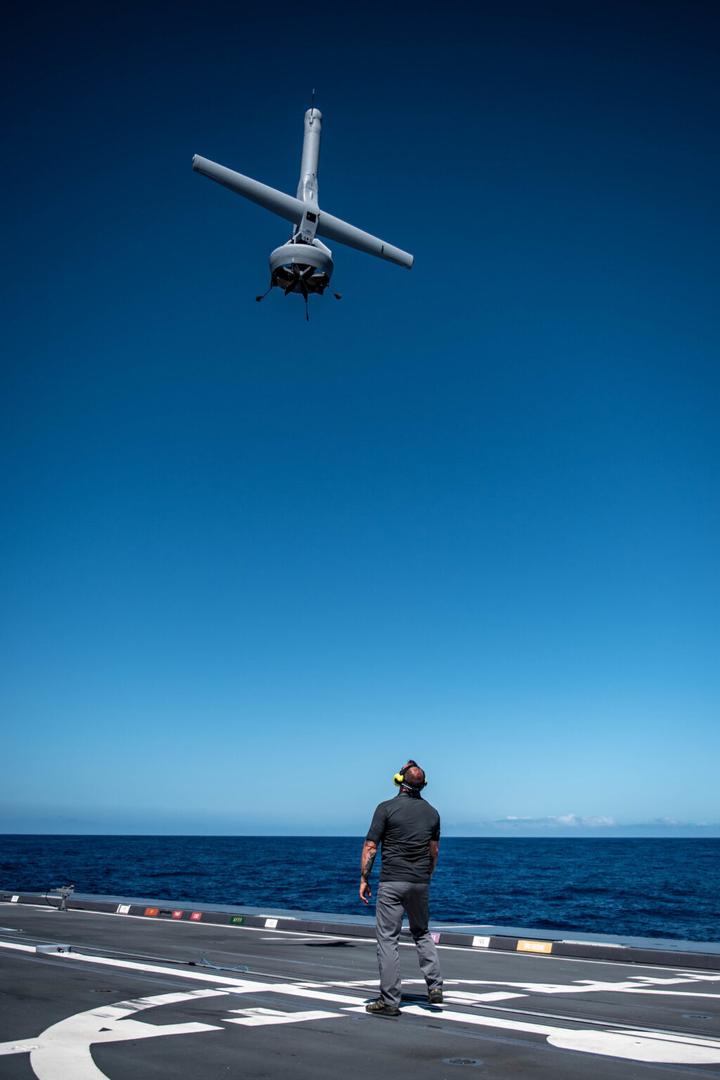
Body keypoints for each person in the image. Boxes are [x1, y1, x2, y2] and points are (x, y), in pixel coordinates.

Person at [359, 759, 442, 1017]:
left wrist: (364, 877)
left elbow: (371, 846)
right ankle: (435, 987)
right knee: (422, 932)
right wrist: (426, 876)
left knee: (387, 939)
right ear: (424, 785)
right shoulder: (432, 813)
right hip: (420, 882)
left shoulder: (386, 809)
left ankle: (390, 1000)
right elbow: (434, 851)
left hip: (392, 881)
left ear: (398, 780)